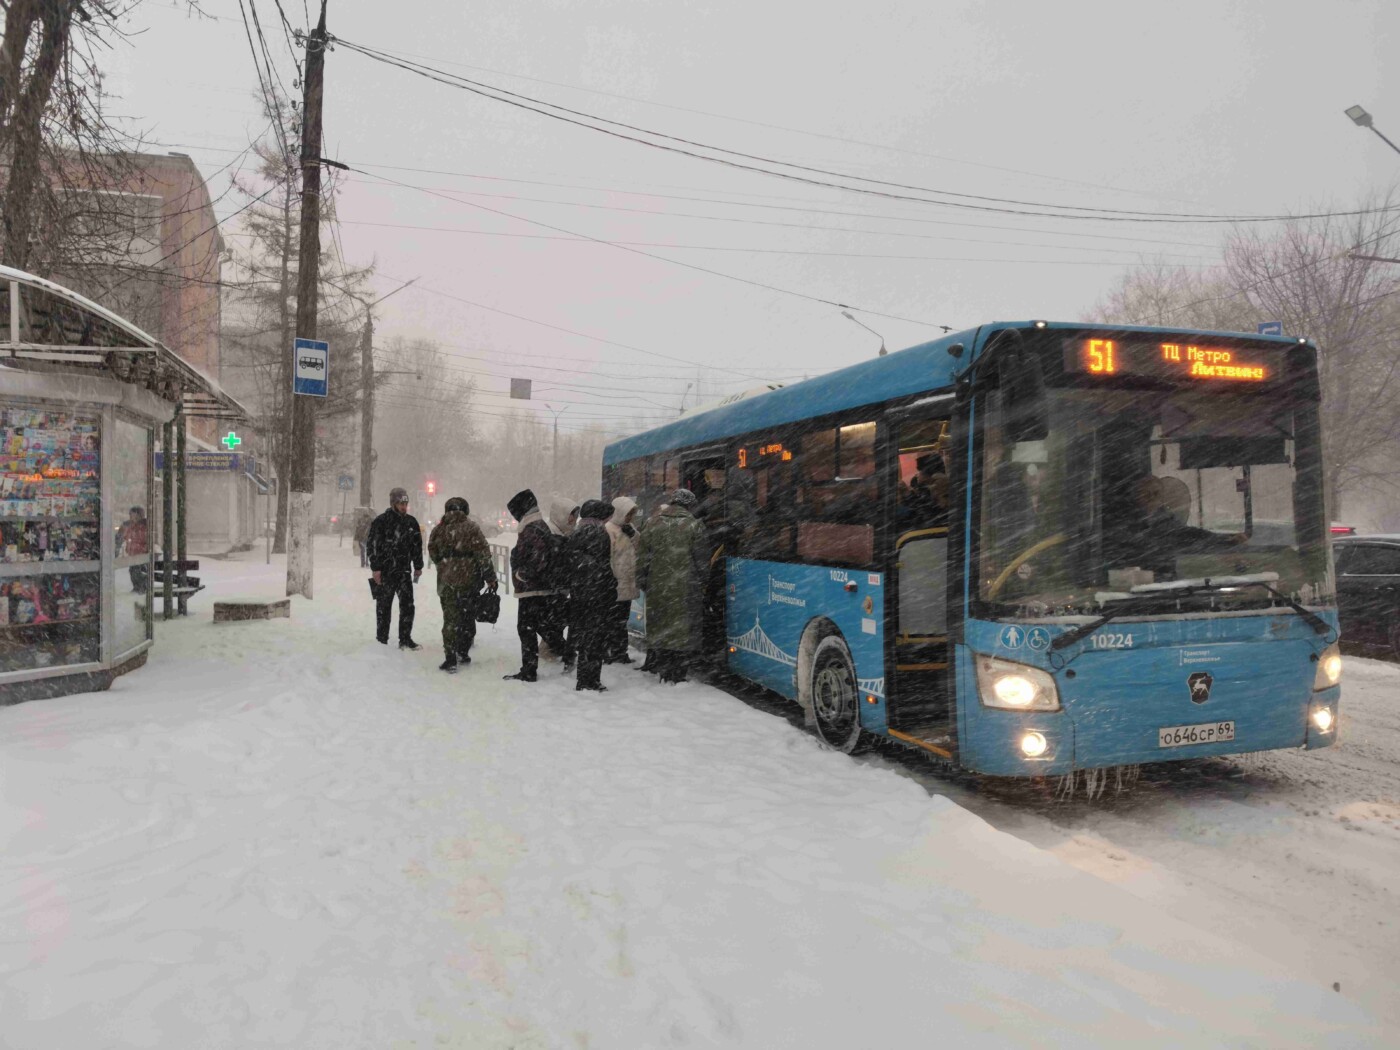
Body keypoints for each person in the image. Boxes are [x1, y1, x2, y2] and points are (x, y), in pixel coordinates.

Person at [635, 488, 710, 684]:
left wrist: (643, 581)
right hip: (686, 587)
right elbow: (702, 560)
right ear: (690, 505)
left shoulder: (652, 524)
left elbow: (642, 558)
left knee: (662, 627)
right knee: (682, 631)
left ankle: (663, 668)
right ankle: (677, 674)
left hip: (658, 586)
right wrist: (704, 582)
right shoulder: (694, 526)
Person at [1111, 475, 1247, 580]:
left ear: (1162, 496)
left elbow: (1192, 535)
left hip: (1168, 588)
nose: (1152, 498)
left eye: (1156, 493)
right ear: (1136, 497)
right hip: (1133, 590)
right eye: (1146, 494)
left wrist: (1225, 540)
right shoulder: (1123, 525)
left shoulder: (1167, 522)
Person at [503, 488, 570, 683]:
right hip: (539, 588)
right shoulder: (538, 526)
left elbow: (538, 558)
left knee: (526, 629)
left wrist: (521, 574)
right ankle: (566, 653)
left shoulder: (532, 529)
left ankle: (530, 670)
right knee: (542, 626)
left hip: (532, 590)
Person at [429, 496, 497, 673]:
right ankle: (463, 652)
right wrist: (489, 576)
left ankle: (450, 657)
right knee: (467, 618)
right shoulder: (472, 528)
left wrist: (446, 565)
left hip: (447, 582)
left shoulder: (439, 529)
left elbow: (432, 551)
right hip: (470, 581)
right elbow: (483, 554)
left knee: (450, 619)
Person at [563, 500, 617, 691]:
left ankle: (585, 678)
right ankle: (590, 681)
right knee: (595, 638)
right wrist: (611, 585)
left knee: (586, 636)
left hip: (581, 592)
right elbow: (602, 565)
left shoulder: (578, 531)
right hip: (596, 592)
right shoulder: (598, 532)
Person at [366, 487, 424, 649]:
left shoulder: (411, 522)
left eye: (406, 503)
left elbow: (416, 547)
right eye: (400, 503)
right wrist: (376, 568)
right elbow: (372, 546)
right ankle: (382, 638)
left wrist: (418, 566)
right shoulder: (381, 521)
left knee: (407, 606)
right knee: (384, 606)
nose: (404, 507)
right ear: (393, 503)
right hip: (385, 572)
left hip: (404, 571)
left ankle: (405, 638)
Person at [545, 495, 581, 669]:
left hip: (562, 585)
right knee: (553, 620)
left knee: (558, 619)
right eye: (570, 515)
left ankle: (552, 650)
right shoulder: (550, 533)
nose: (573, 519)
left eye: (575, 515)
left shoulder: (567, 533)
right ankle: (553, 650)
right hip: (553, 586)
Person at [604, 496, 639, 664]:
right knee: (612, 621)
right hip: (615, 583)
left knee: (621, 621)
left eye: (632, 514)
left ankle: (620, 652)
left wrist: (634, 536)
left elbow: (640, 548)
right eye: (628, 514)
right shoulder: (609, 530)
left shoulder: (630, 529)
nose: (630, 518)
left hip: (627, 583)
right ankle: (610, 652)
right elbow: (608, 557)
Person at [118, 506, 149, 592]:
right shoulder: (130, 526)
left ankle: (142, 587)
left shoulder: (144, 527)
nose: (131, 517)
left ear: (139, 516)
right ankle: (137, 587)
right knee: (133, 571)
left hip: (141, 555)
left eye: (134, 515)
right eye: (131, 515)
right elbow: (123, 537)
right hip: (134, 555)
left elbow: (144, 540)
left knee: (139, 572)